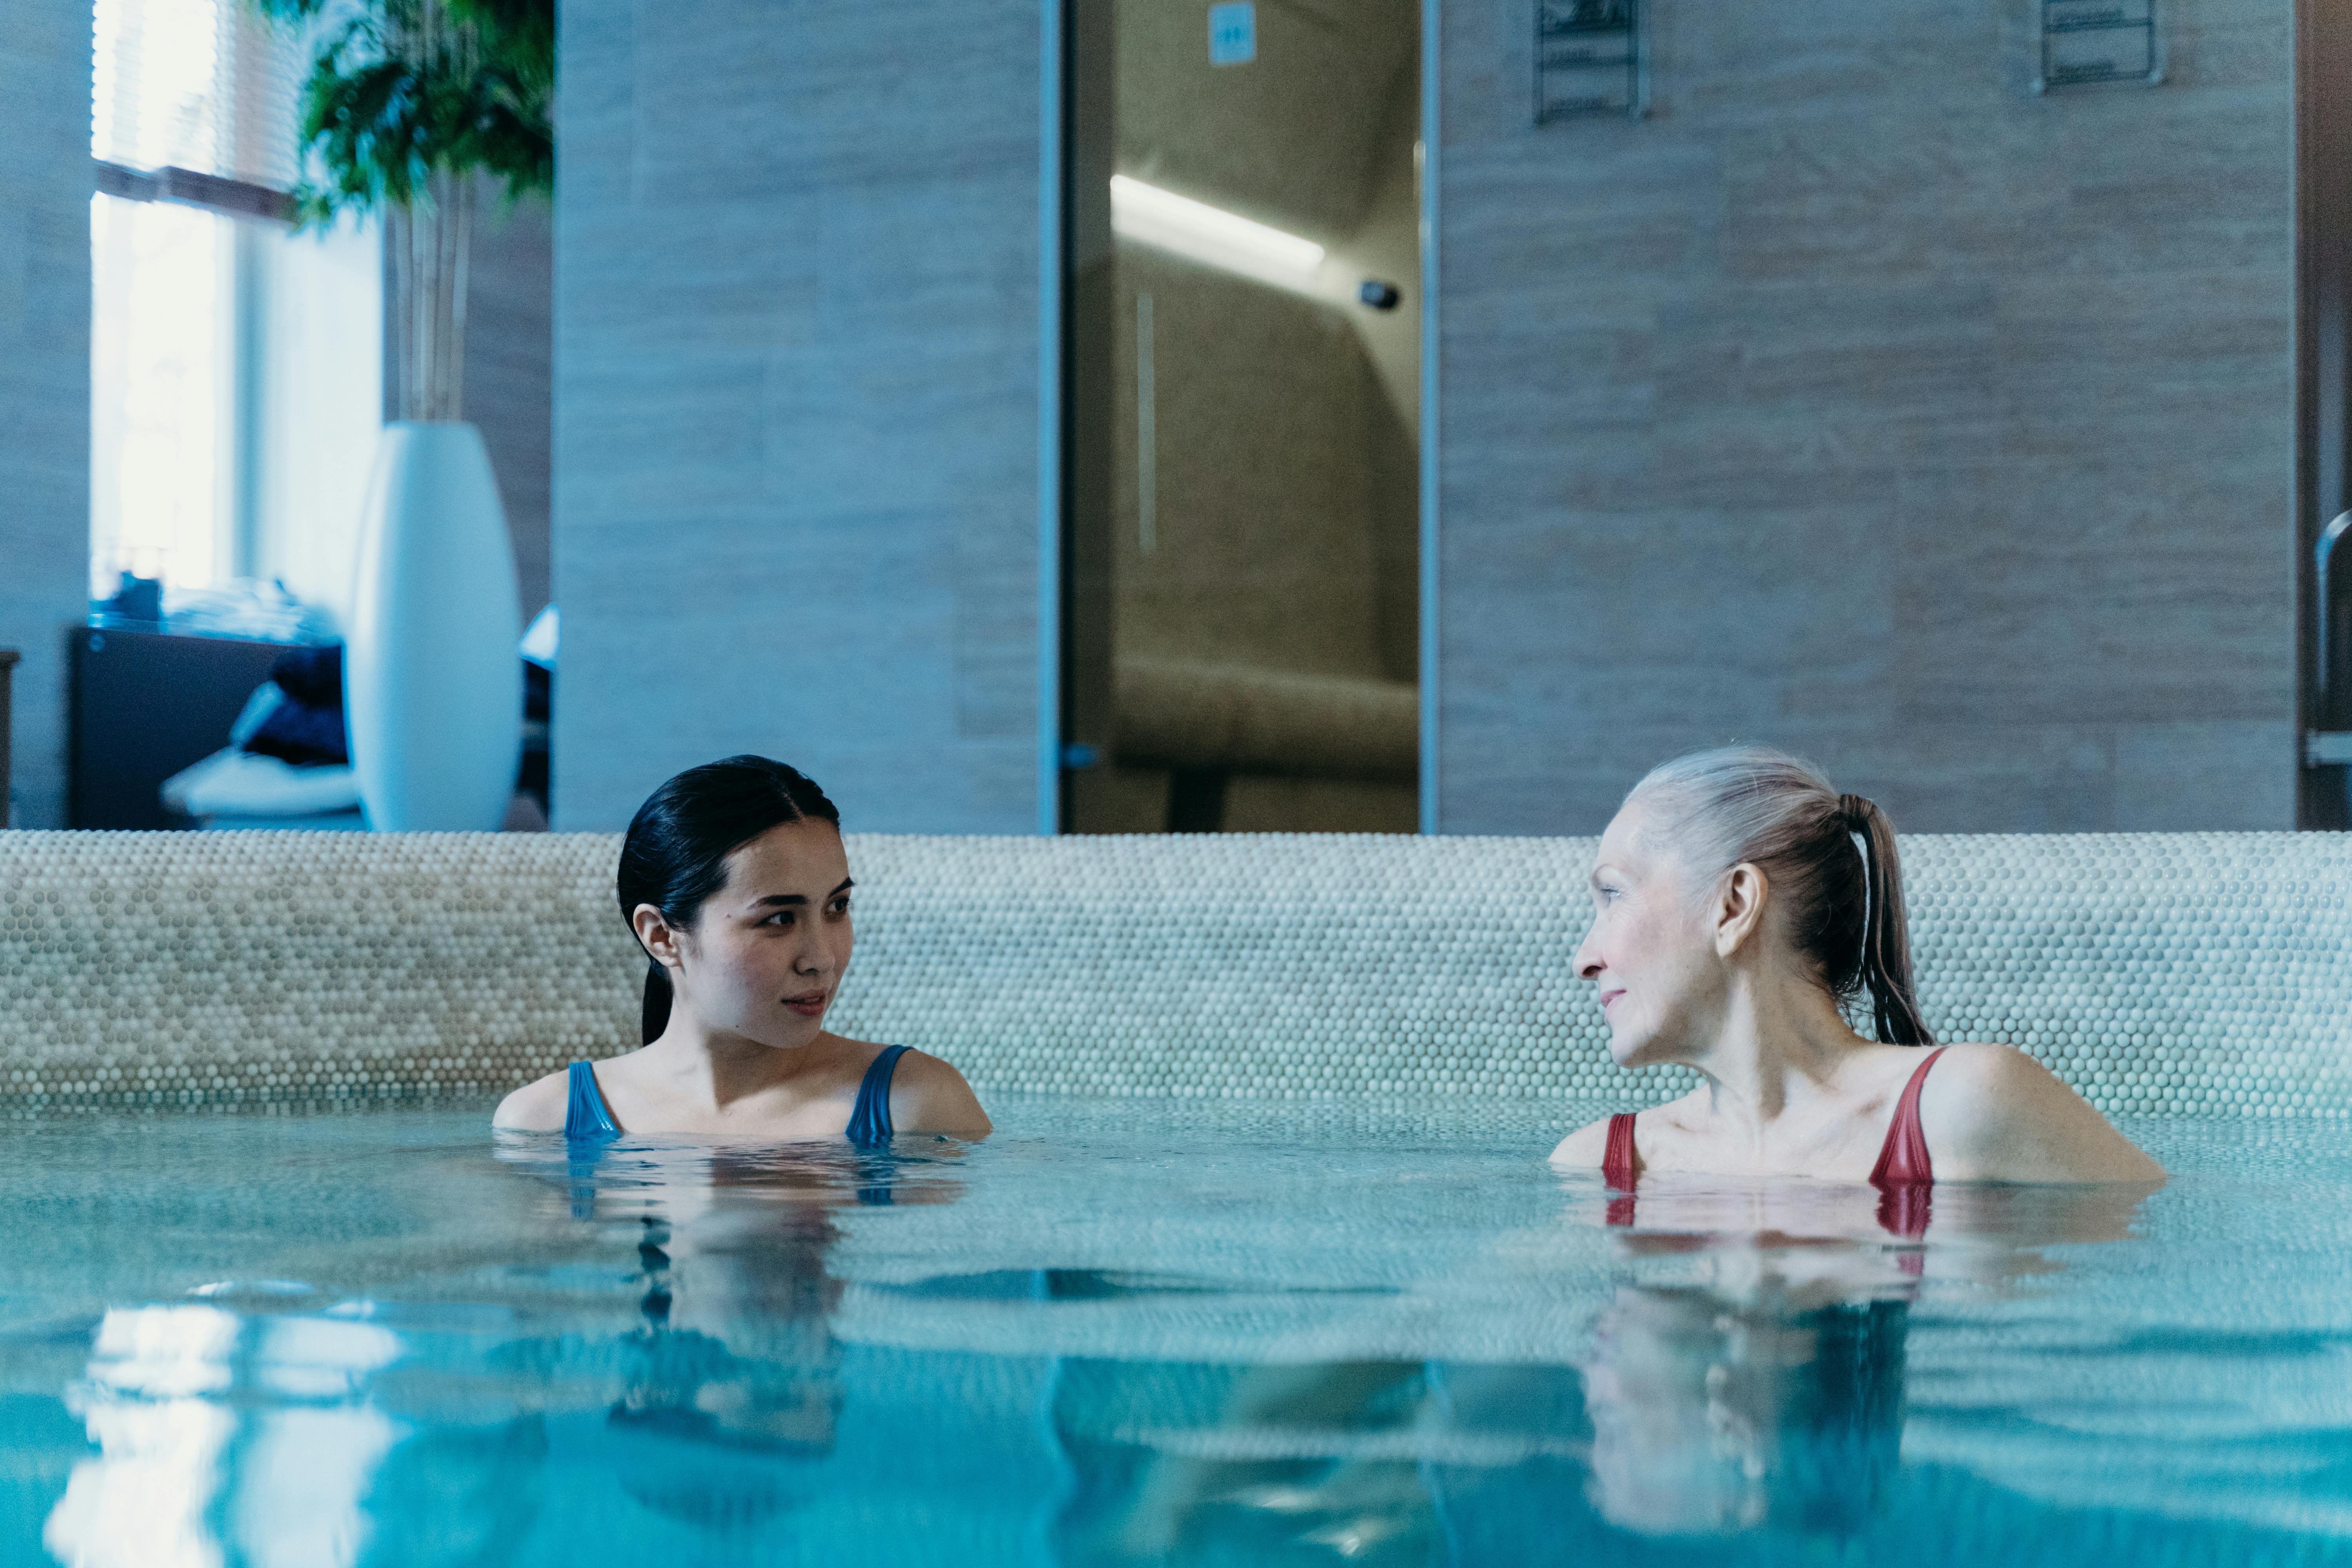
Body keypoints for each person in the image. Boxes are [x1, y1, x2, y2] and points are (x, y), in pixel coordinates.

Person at [1550, 746, 2161, 1187]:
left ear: (1734, 906)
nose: (1584, 960)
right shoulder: (1600, 1166)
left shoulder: (1966, 1106)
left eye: (1613, 894)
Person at [495, 755, 991, 1142]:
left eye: (837, 907)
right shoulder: (545, 1123)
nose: (821, 959)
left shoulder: (916, 1107)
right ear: (661, 936)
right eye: (779, 919)